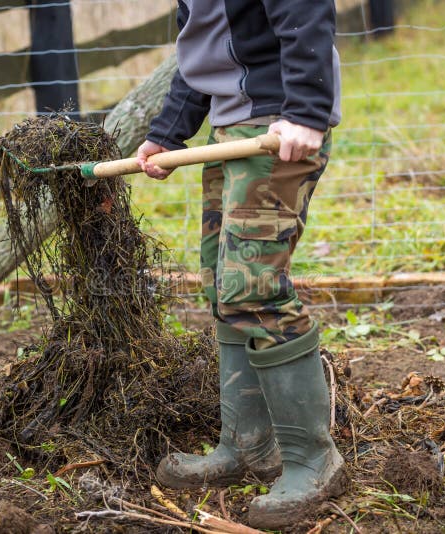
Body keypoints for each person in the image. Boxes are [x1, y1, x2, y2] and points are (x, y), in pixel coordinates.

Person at [136, 0, 347, 529]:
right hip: (231, 131)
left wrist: (306, 110)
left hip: (277, 127)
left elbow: (306, 12)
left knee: (254, 284)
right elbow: (202, 49)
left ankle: (313, 460)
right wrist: (169, 130)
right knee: (222, 282)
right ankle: (248, 446)